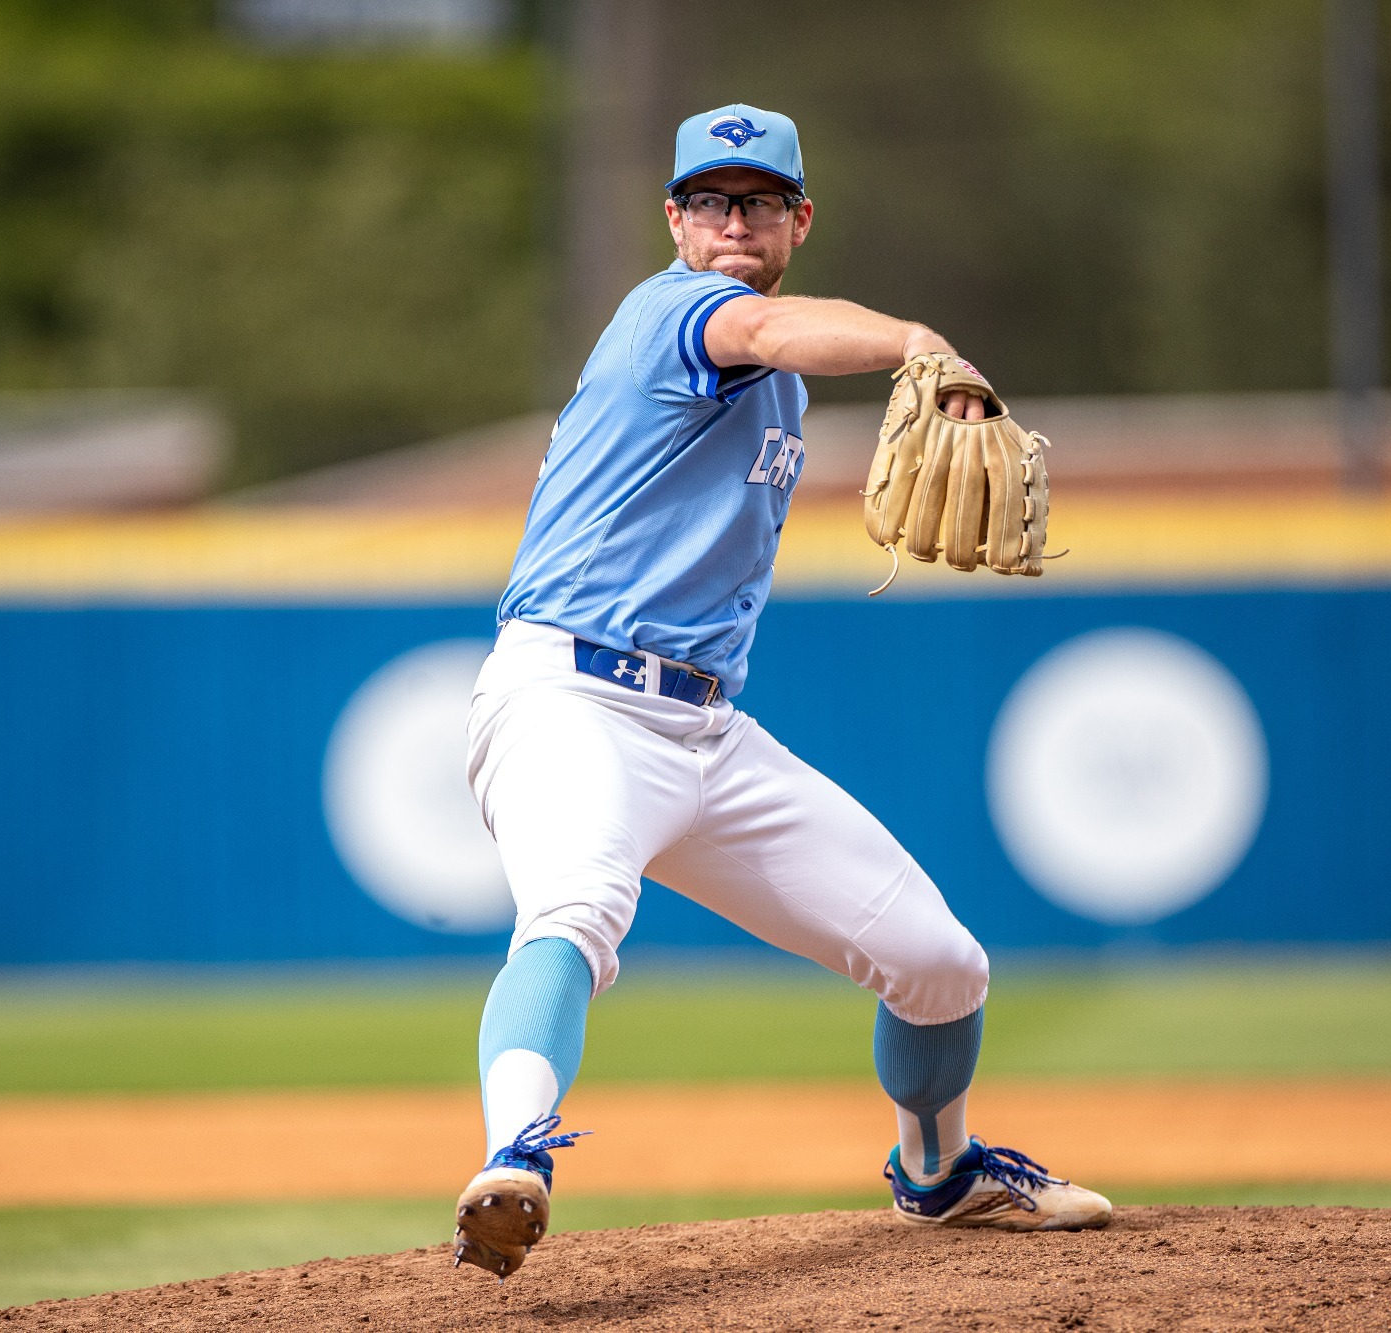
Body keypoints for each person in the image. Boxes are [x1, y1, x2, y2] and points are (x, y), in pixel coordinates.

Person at [451, 104, 1110, 1280]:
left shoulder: (777, 384)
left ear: (799, 221)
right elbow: (762, 324)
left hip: (702, 729)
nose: (731, 222)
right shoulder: (674, 312)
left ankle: (936, 1171)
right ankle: (514, 1161)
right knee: (571, 915)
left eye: (758, 202)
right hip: (570, 701)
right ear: (673, 220)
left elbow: (777, 344)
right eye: (707, 200)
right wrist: (915, 339)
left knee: (940, 963)